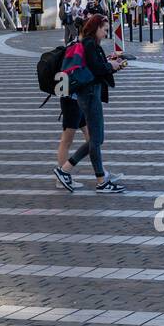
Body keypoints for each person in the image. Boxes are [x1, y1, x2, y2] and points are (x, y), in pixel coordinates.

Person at [58, 14, 128, 193]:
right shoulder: (89, 44)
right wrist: (111, 66)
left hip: (91, 93)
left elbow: (95, 67)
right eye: (104, 30)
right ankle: (100, 181)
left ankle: (66, 169)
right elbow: (97, 69)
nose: (106, 33)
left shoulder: (91, 44)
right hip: (89, 94)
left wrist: (112, 64)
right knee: (96, 139)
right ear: (96, 28)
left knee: (97, 139)